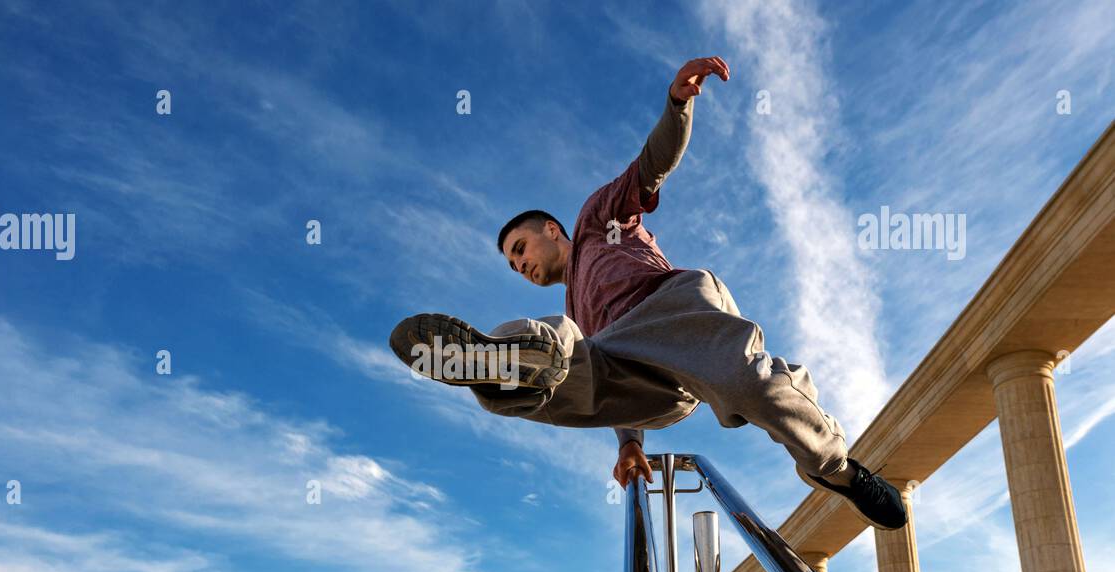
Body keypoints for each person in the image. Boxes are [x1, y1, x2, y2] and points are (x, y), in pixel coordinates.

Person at [388, 56, 906, 530]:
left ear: (551, 229)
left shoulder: (595, 220)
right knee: (564, 348)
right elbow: (612, 392)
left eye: (520, 248)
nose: (519, 264)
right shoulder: (574, 311)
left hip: (672, 315)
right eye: (512, 263)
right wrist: (630, 444)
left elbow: (651, 165)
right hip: (631, 370)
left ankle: (836, 468)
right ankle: (500, 367)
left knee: (752, 387)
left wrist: (677, 106)